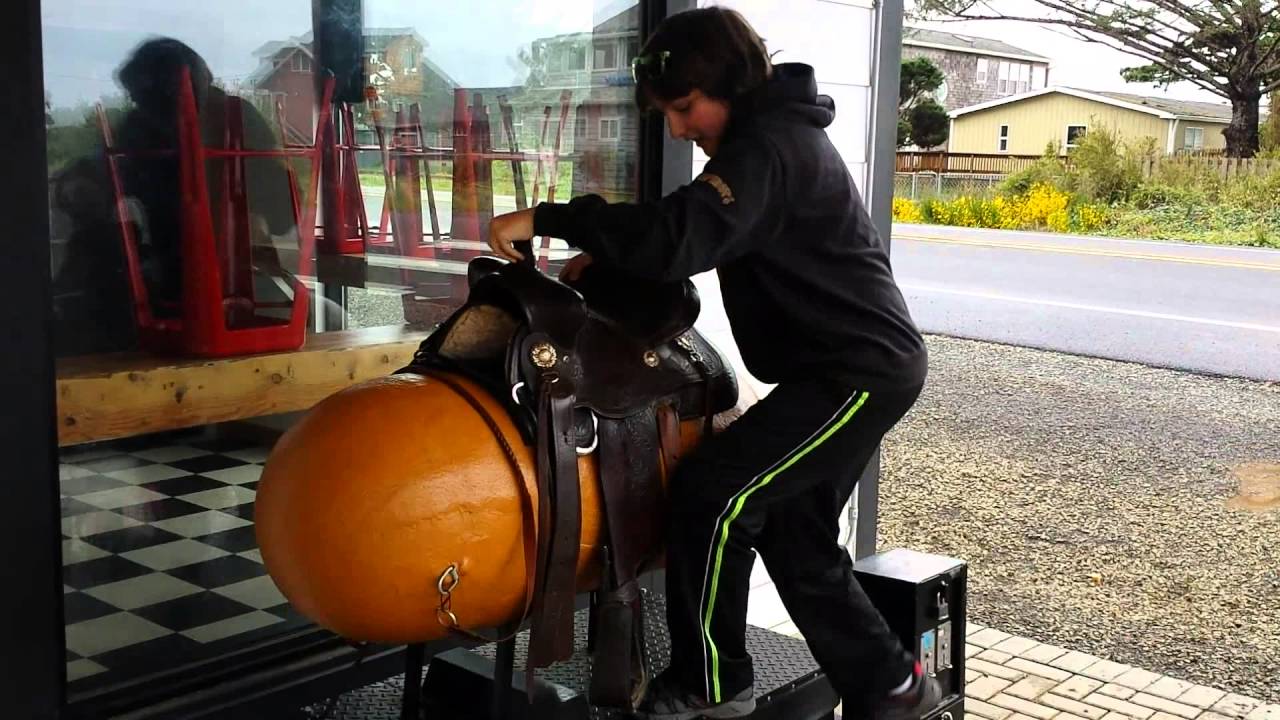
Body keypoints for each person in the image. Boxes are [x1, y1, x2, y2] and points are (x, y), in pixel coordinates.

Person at [486, 8, 935, 720]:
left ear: (729, 85)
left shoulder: (768, 150)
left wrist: (551, 218)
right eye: (666, 113)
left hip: (856, 373)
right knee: (794, 530)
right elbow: (689, 231)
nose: (676, 129)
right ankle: (891, 685)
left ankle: (711, 681)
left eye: (684, 108)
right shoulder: (765, 145)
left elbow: (681, 237)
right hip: (851, 369)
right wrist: (611, 256)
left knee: (714, 493)